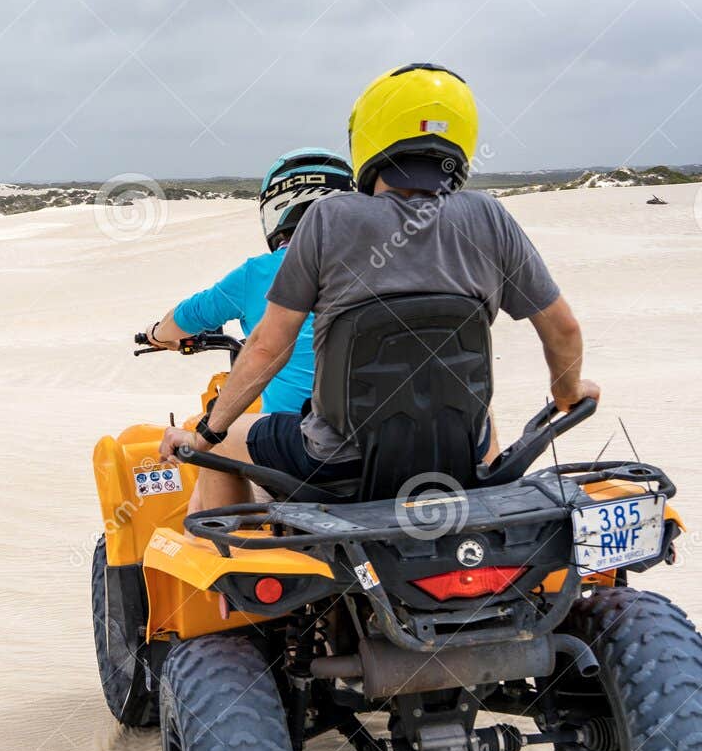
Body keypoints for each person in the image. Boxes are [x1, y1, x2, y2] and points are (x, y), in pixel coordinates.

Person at [161, 62, 600, 510]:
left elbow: (267, 348)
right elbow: (563, 329)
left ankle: (234, 566)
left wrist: (204, 433)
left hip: (334, 462)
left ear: (369, 136)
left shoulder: (329, 219)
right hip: (460, 456)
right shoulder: (489, 217)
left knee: (221, 442)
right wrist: (567, 394)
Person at [145, 148, 354, 417]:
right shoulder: (381, 264)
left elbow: (188, 317)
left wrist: (158, 335)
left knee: (198, 440)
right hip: (383, 434)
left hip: (293, 438)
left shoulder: (257, 275)